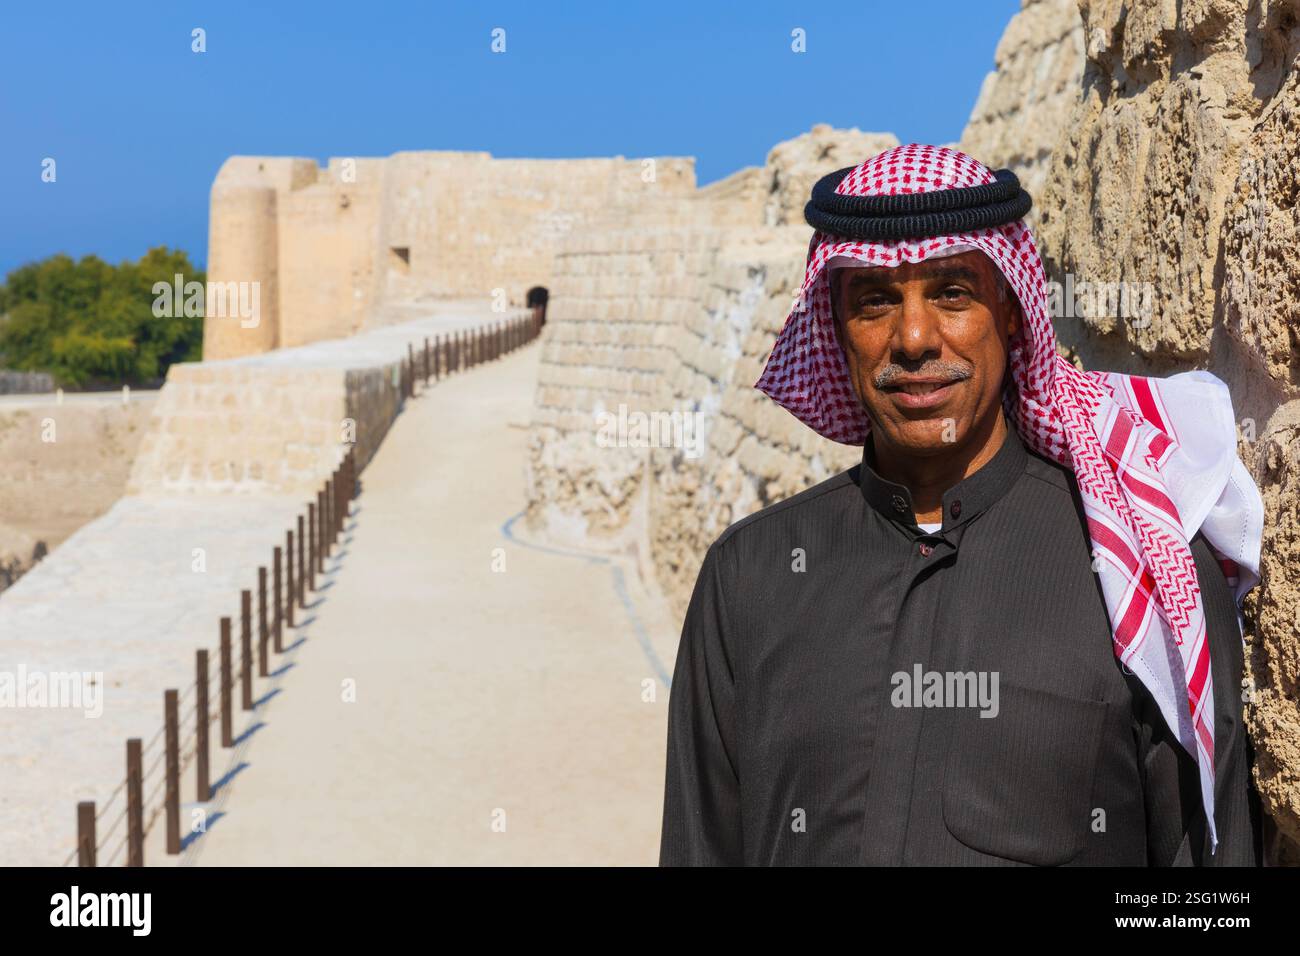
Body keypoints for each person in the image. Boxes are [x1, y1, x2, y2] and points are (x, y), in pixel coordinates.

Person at [658, 144, 1264, 866]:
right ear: (837, 327)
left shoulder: (1137, 564)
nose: (914, 339)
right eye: (876, 299)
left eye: (952, 293)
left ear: (1011, 314)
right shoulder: (748, 576)